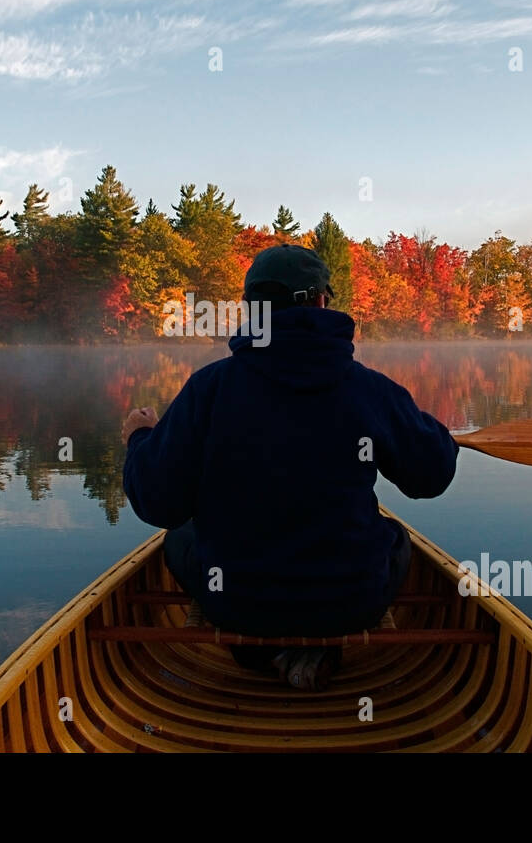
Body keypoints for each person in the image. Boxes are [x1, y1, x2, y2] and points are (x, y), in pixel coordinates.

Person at [121, 244, 459, 689]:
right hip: (353, 600)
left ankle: (261, 651)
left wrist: (140, 438)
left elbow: (157, 503)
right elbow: (431, 475)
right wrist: (435, 434)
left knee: (178, 536)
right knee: (398, 541)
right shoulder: (369, 389)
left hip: (237, 603)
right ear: (322, 300)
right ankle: (314, 649)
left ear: (251, 310)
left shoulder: (210, 389)